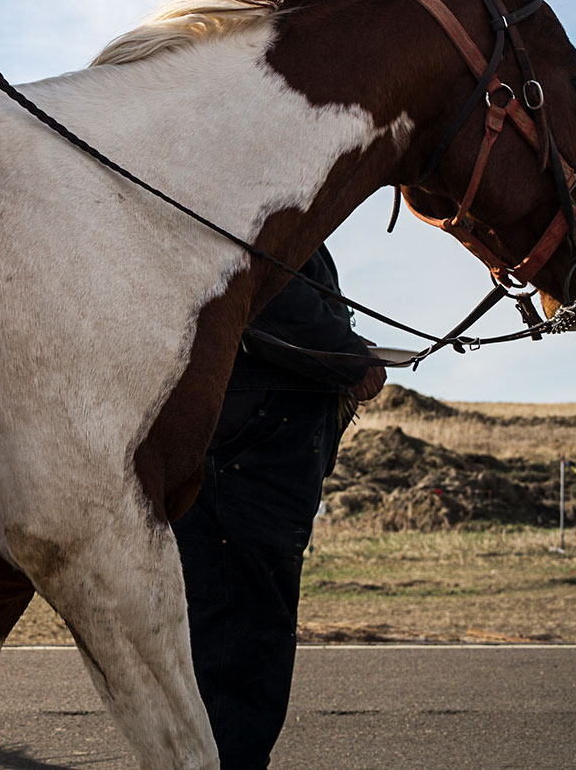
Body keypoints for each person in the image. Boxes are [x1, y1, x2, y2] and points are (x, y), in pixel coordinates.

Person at [172, 243, 387, 769]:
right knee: (240, 639)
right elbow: (265, 290)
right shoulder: (258, 189)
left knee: (239, 633)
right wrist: (349, 357)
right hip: (253, 450)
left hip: (261, 445)